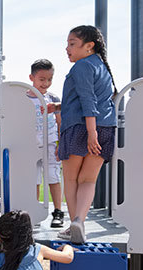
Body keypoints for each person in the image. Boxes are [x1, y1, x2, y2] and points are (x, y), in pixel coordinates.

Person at [49, 26, 117, 243]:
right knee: (88, 180)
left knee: (70, 178)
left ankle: (73, 225)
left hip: (83, 128)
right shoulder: (102, 67)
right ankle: (79, 221)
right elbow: (93, 98)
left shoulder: (81, 66)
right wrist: (59, 106)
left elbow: (88, 101)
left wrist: (91, 132)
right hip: (105, 127)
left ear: (89, 46)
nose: (67, 49)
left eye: (72, 44)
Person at [28, 59, 64, 228]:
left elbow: (59, 122)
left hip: (50, 143)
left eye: (49, 79)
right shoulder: (24, 97)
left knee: (53, 176)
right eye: (42, 79)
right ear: (32, 78)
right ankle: (34, 212)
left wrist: (60, 143)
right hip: (33, 145)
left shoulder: (53, 98)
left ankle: (57, 211)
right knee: (33, 179)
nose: (46, 83)